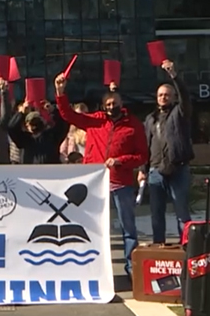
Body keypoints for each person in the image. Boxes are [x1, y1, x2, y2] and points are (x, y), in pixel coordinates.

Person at [55, 73, 148, 277]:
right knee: (91, 227)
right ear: (103, 106)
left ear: (121, 104)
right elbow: (69, 115)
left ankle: (131, 269)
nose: (111, 107)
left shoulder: (133, 125)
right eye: (107, 104)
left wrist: (121, 161)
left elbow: (142, 155)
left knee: (128, 228)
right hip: (95, 184)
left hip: (121, 183)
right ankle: (92, 268)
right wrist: (60, 93)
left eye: (114, 104)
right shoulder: (95, 121)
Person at [138, 59, 194, 243]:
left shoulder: (180, 113)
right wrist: (142, 169)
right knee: (156, 212)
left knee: (181, 211)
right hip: (155, 170)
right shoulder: (150, 119)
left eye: (167, 95)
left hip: (178, 168)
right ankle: (159, 245)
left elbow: (185, 97)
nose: (163, 97)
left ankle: (186, 245)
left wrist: (174, 76)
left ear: (173, 97)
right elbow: (145, 144)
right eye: (160, 95)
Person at [8, 101, 68, 165]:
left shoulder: (52, 136)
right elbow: (12, 128)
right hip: (29, 171)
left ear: (44, 122)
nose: (35, 125)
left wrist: (53, 110)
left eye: (38, 122)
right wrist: (21, 113)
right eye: (32, 123)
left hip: (50, 171)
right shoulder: (24, 139)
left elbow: (63, 124)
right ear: (27, 126)